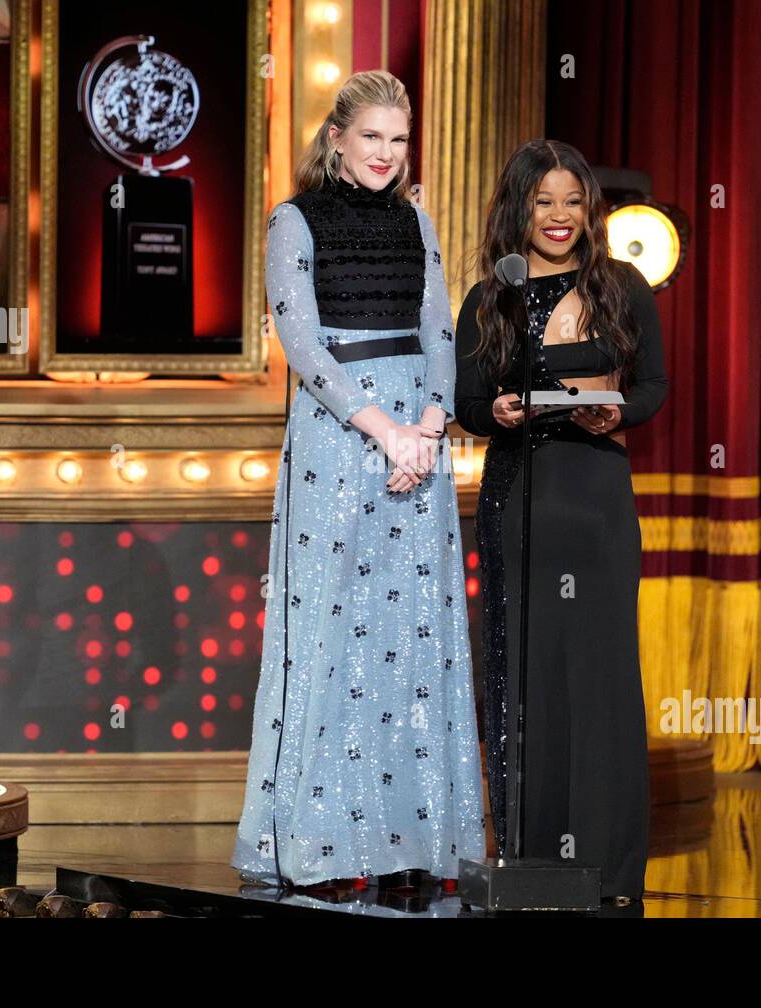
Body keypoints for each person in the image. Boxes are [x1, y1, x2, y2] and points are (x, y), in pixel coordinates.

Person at [232, 70, 485, 892]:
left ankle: (415, 845)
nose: (385, 153)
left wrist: (432, 424)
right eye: (370, 136)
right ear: (336, 138)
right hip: (341, 436)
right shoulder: (293, 220)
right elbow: (302, 348)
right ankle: (323, 845)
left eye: (398, 139)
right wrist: (382, 430)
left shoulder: (419, 221)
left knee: (417, 635)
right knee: (332, 637)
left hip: (419, 436)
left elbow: (439, 330)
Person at [454, 139, 668, 902]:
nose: (558, 216)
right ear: (520, 208)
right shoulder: (491, 297)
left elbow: (655, 386)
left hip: (597, 502)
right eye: (543, 201)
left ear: (590, 208)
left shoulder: (623, 286)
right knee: (526, 680)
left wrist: (620, 410)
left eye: (572, 201)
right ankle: (535, 865)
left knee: (601, 678)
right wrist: (498, 413)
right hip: (520, 500)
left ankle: (606, 870)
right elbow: (468, 403)